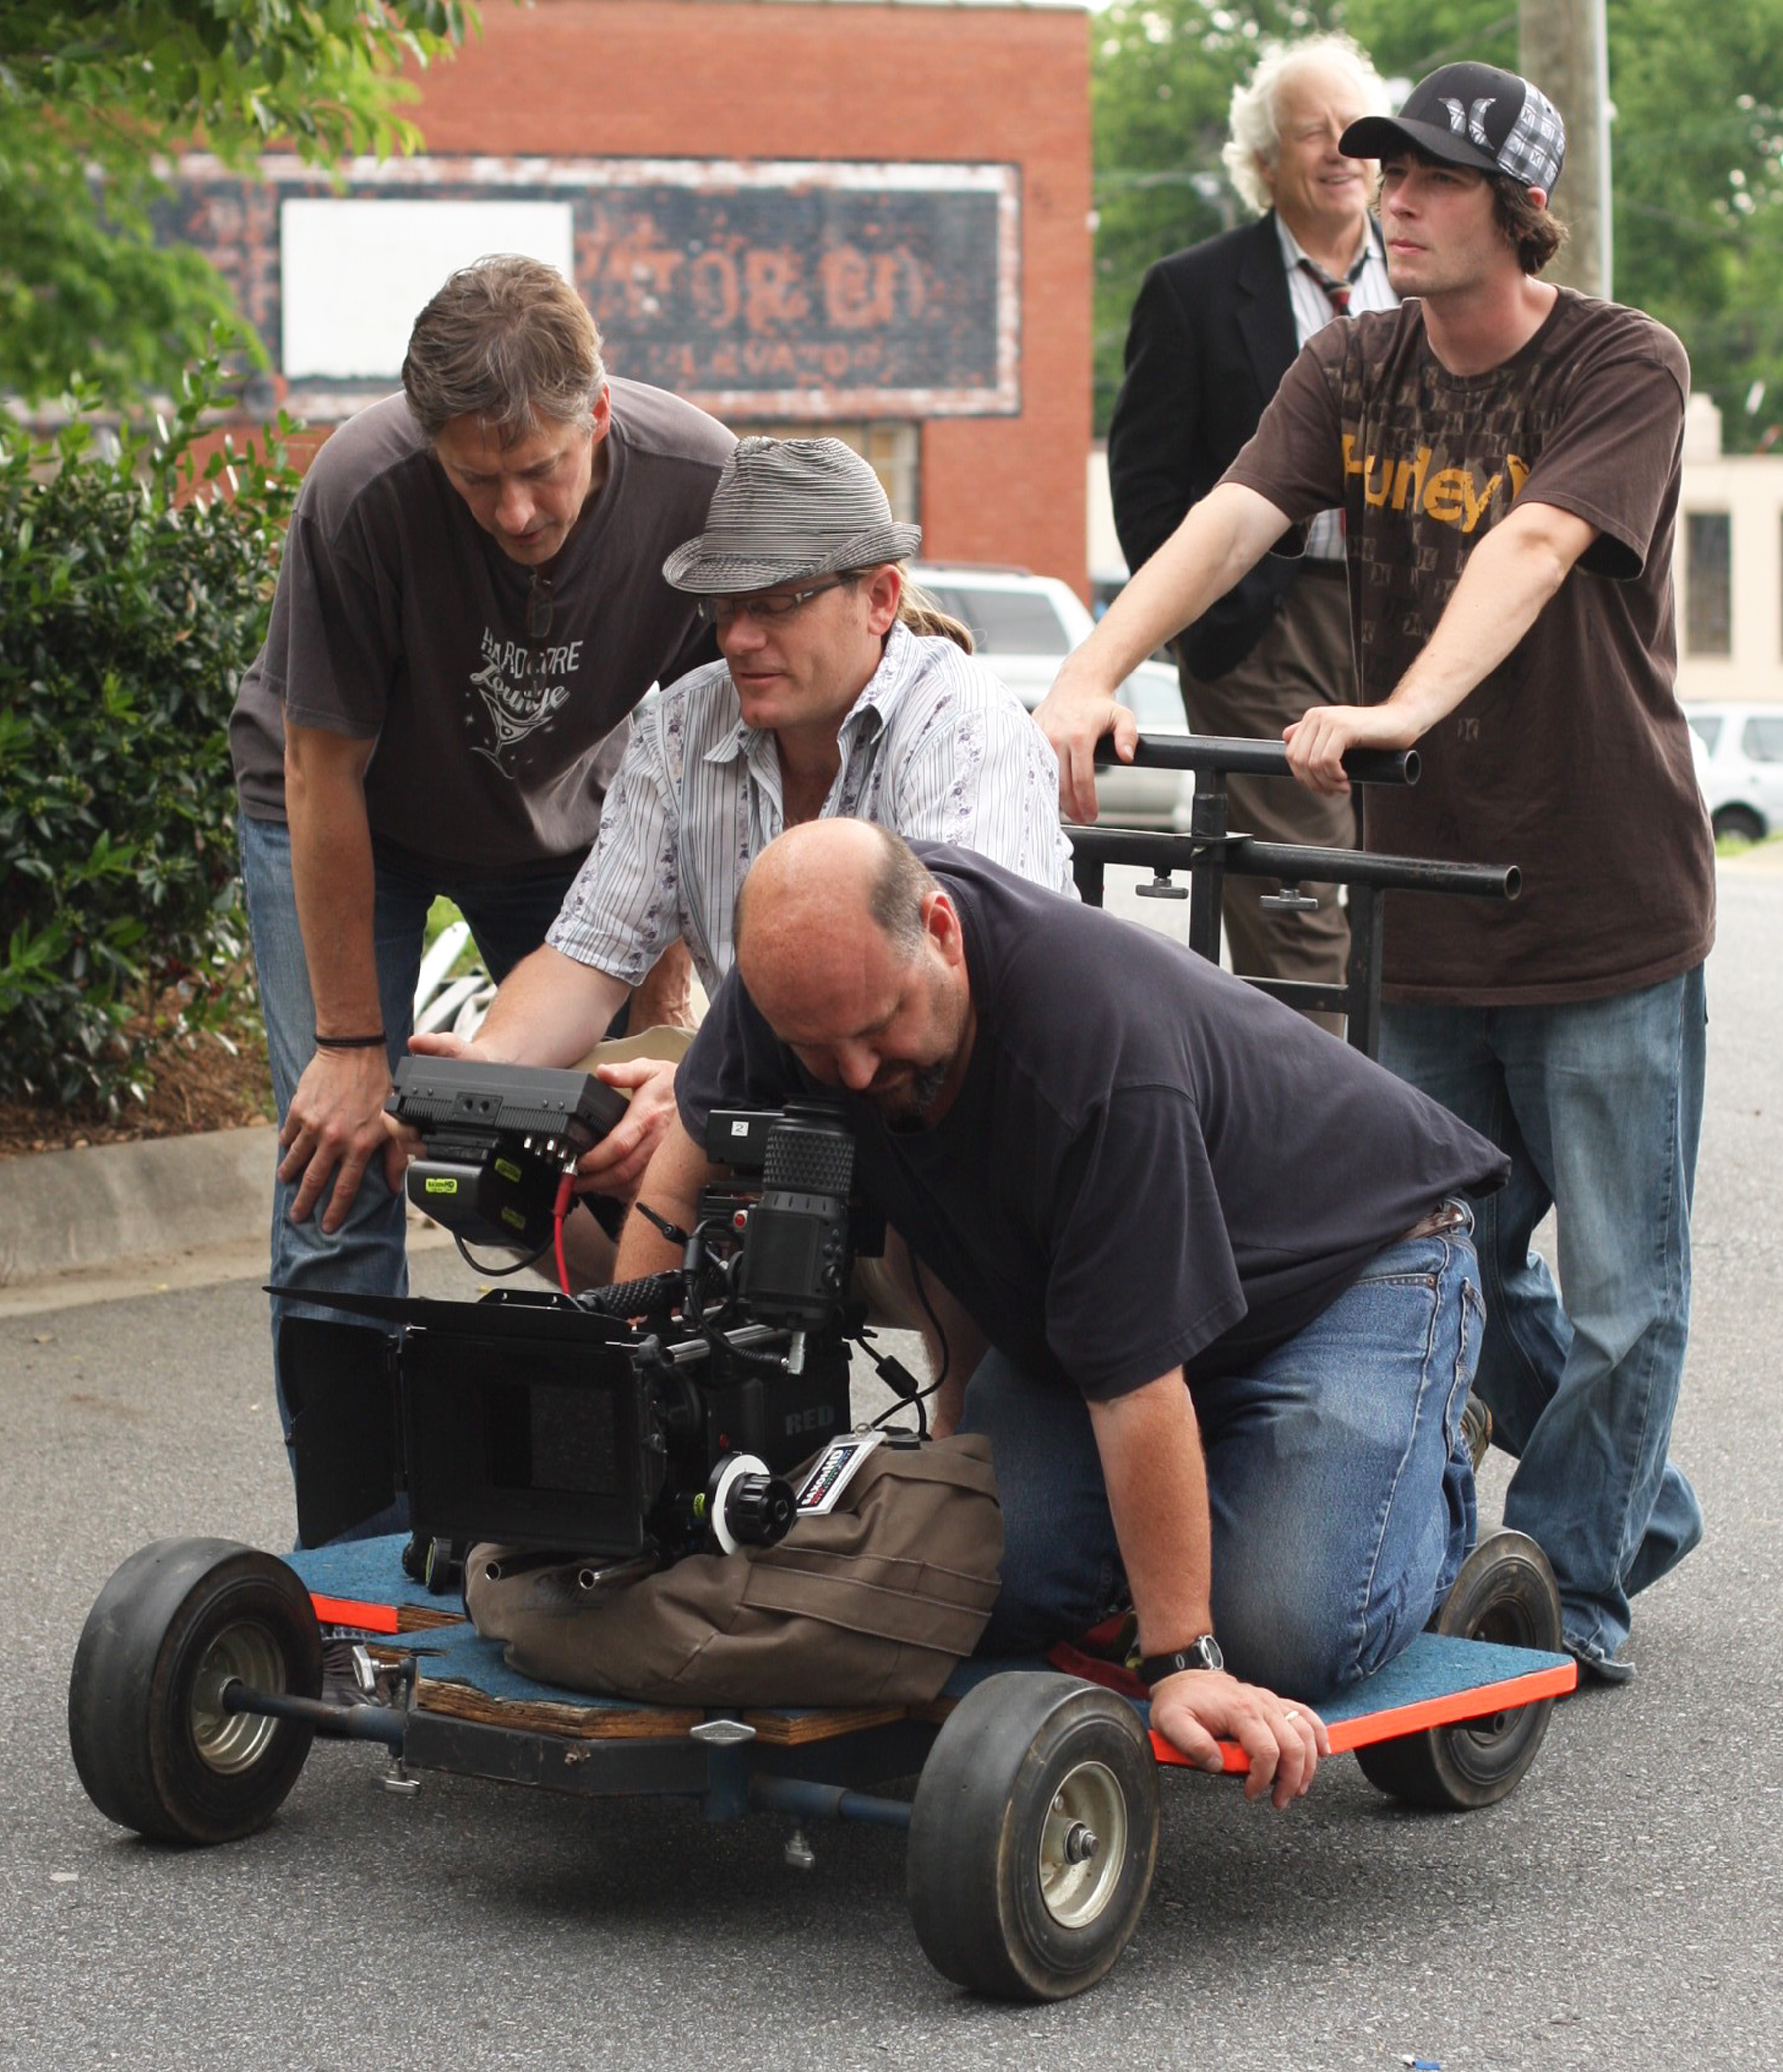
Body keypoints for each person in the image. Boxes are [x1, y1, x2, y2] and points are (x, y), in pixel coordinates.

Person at [1037, 63, 1715, 1684]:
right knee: (1443, 1263)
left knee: (1624, 1297)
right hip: (1422, 914)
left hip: (1607, 904)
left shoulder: (1622, 362)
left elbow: (1535, 547)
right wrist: (1094, 670)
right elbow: (1233, 515)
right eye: (1381, 172)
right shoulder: (1352, 362)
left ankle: (1573, 1586)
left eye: (1431, 180)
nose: (1389, 201)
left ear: (1518, 209)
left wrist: (1411, 701)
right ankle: (1632, 1503)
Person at [614, 819, 1510, 1804]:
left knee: (1287, 1632)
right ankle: (1223, 1483)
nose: (859, 1074)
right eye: (819, 1052)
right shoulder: (810, 975)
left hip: (1351, 1269)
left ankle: (1428, 1470)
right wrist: (630, 1371)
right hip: (1124, 1316)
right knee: (978, 1578)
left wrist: (1184, 1660)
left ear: (941, 931)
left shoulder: (1091, 1051)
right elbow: (684, 1164)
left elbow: (1136, 1384)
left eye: (879, 1030)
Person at [231, 253, 734, 1470]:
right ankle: (349, 1551)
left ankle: (633, 1491)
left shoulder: (702, 479)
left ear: (597, 415)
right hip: (357, 824)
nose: (514, 511)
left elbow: (700, 740)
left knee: (626, 1143)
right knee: (340, 1169)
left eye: (541, 470)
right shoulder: (365, 490)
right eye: (479, 479)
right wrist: (356, 1046)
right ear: (429, 444)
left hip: (565, 831)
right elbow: (320, 772)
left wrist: (662, 983)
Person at [406, 435, 1075, 1264]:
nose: (738, 639)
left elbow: (935, 1016)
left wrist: (704, 1106)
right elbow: (587, 955)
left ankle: (953, 1396)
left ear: (879, 597)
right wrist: (480, 1079)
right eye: (725, 607)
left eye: (777, 603)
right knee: (496, 1173)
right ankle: (670, 1370)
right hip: (779, 1099)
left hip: (947, 1103)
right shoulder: (687, 722)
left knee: (729, 1137)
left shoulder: (961, 724)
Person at [1106, 33, 1395, 1029]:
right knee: (1301, 910)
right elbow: (1143, 487)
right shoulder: (1191, 291)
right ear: (1264, 160)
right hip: (1268, 630)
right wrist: (1207, 624)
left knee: (1407, 898)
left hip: (1414, 623)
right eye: (1312, 130)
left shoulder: (1433, 270)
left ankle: (1415, 1135)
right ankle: (1324, 1147)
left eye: (1356, 127)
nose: (1340, 148)